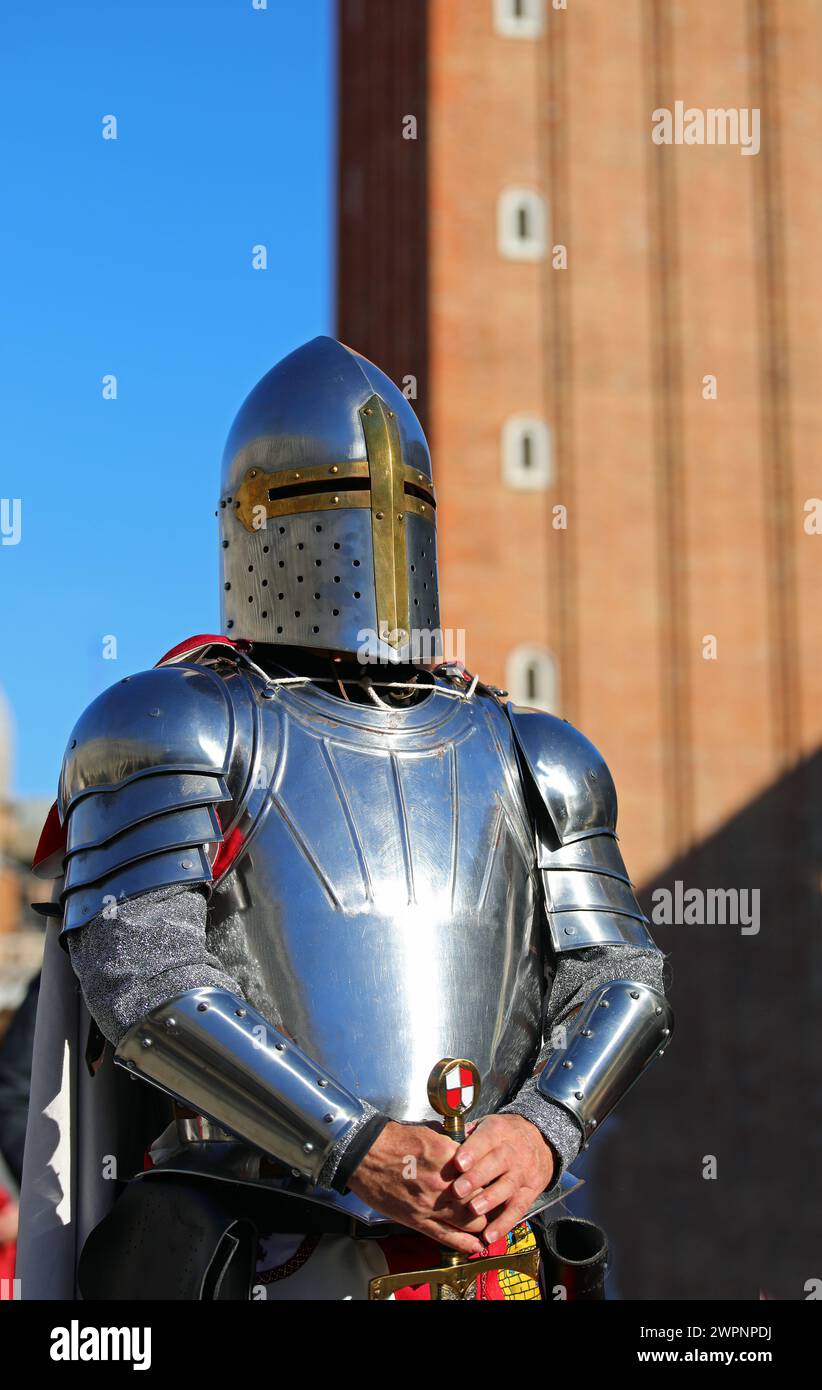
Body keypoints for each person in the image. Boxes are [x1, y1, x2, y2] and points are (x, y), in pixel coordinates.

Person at [19, 337, 672, 1300]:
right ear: (255, 523)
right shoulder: (178, 722)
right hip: (266, 1248)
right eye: (319, 502)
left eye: (395, 504)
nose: (366, 536)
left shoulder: (534, 748)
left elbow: (622, 975)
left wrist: (542, 1129)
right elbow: (146, 981)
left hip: (501, 1251)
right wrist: (355, 1144)